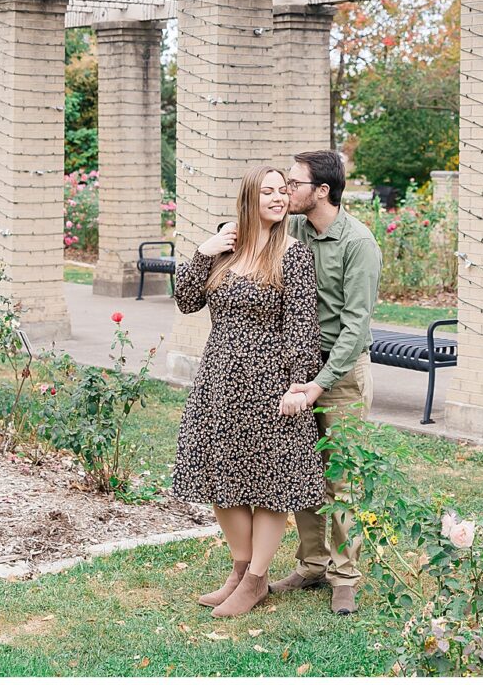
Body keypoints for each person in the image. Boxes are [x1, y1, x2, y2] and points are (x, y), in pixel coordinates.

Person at [171, 164, 327, 618]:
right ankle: (239, 571)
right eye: (269, 192)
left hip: (269, 380)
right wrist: (204, 250)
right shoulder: (226, 246)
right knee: (220, 474)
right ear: (248, 198)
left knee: (270, 482)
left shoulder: (293, 255)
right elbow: (185, 300)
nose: (279, 198)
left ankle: (257, 579)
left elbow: (302, 325)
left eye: (284, 191)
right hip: (218, 377)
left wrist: (300, 385)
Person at [269, 149, 383, 615]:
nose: (287, 190)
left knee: (340, 478)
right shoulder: (292, 229)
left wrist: (319, 383)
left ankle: (345, 575)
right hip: (297, 367)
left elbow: (355, 326)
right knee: (303, 472)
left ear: (322, 191)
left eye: (294, 184)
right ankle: (312, 563)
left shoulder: (359, 243)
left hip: (341, 373)